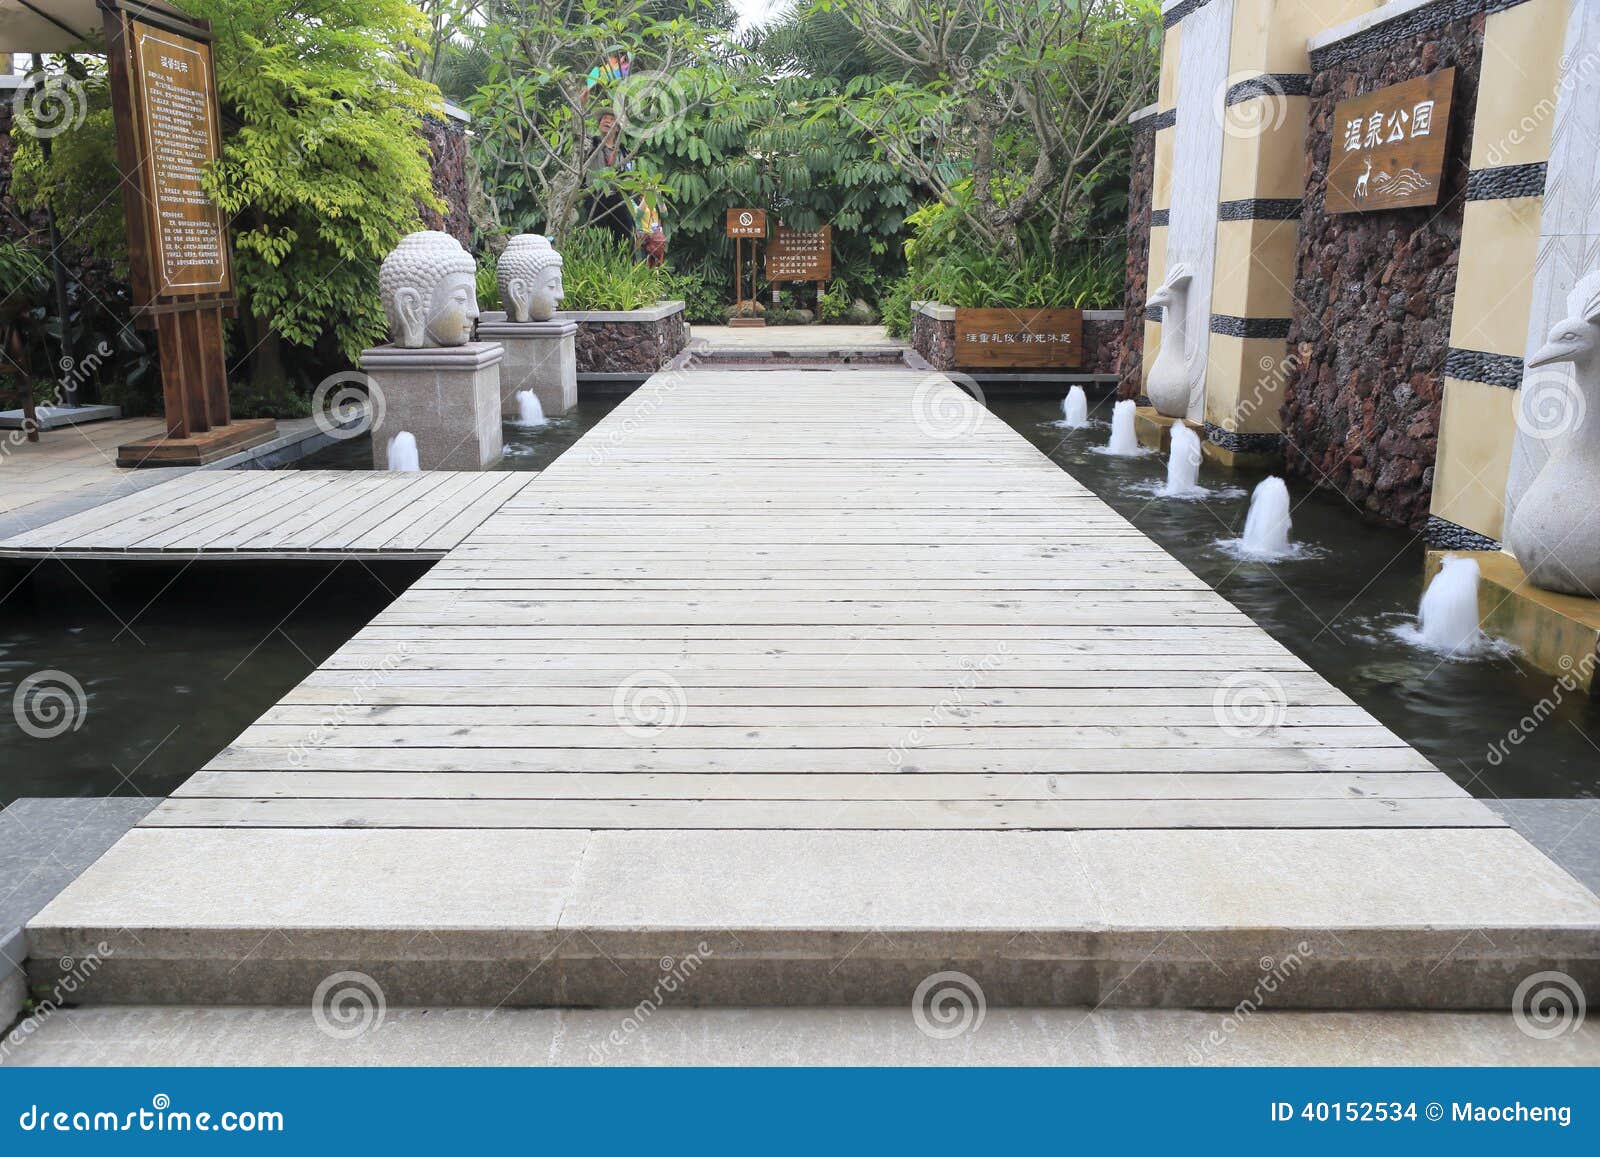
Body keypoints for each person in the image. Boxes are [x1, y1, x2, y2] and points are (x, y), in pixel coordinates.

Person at [583, 111, 636, 244]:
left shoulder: (623, 152)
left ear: (617, 128)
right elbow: (578, 133)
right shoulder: (590, 144)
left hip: (617, 198)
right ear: (599, 124)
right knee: (596, 240)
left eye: (612, 119)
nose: (607, 121)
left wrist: (621, 185)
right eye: (604, 118)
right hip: (594, 196)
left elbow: (629, 176)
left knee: (624, 238)